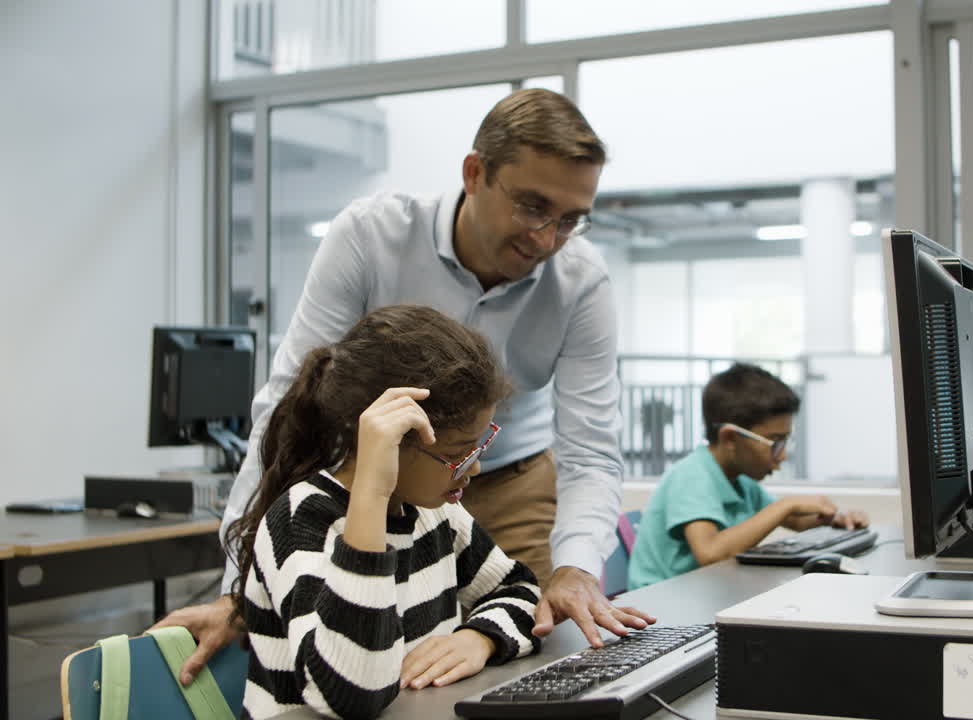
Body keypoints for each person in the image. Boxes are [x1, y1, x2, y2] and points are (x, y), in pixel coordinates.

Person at [153, 88, 653, 685]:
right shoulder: (371, 235)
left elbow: (590, 447)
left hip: (513, 481)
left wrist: (575, 569)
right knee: (370, 655)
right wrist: (245, 582)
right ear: (475, 173)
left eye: (570, 219)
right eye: (532, 206)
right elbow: (287, 403)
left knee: (535, 660)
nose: (547, 238)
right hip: (378, 482)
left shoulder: (581, 281)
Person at [229, 305, 540, 719]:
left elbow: (520, 590)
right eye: (455, 455)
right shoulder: (302, 520)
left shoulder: (436, 514)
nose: (475, 467)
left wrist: (480, 638)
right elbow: (352, 695)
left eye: (477, 447)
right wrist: (372, 495)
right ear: (388, 442)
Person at [627, 363, 869, 589]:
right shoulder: (692, 475)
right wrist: (787, 504)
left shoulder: (740, 481)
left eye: (786, 442)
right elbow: (711, 554)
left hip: (702, 592)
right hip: (661, 609)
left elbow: (795, 521)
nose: (782, 455)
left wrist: (834, 520)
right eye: (774, 442)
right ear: (730, 438)